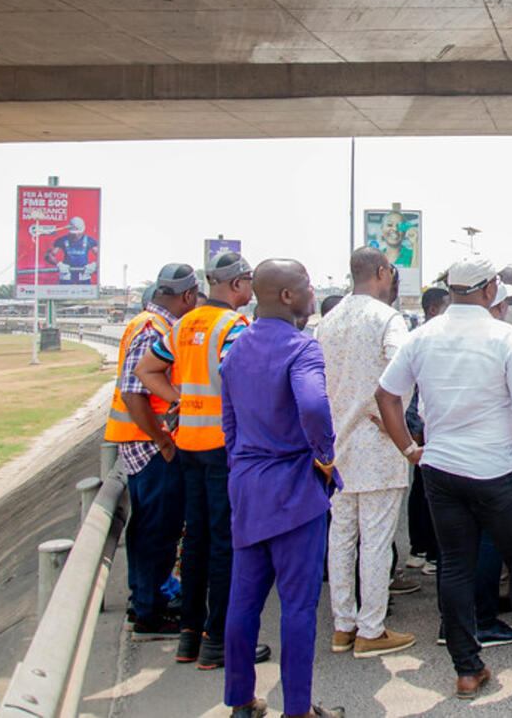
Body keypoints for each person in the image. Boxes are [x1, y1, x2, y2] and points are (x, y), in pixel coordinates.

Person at [374, 254, 512, 700]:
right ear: (490, 289)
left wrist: (410, 449)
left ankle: (468, 670)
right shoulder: (504, 336)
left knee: (455, 566)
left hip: (440, 467)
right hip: (495, 468)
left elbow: (386, 396)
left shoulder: (423, 336)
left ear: (453, 290)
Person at [219, 260, 342, 718]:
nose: (314, 293)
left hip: (248, 484)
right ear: (288, 296)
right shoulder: (300, 348)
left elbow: (228, 422)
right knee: (297, 605)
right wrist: (325, 455)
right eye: (307, 285)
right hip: (292, 489)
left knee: (243, 599)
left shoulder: (236, 349)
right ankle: (298, 709)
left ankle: (240, 700)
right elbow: (312, 403)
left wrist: (242, 463)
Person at [135, 251, 256, 669]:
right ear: (237, 284)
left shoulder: (184, 324)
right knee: (226, 543)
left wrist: (179, 400)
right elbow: (243, 382)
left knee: (198, 541)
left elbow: (146, 370)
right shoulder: (233, 326)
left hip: (188, 445)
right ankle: (218, 641)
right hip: (223, 447)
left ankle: (189, 635)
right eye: (249, 281)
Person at [317, 248, 418, 659]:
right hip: (378, 441)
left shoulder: (328, 320)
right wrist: (389, 416)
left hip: (338, 443)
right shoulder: (386, 318)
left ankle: (343, 626)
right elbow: (402, 366)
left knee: (341, 537)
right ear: (381, 273)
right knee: (375, 540)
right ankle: (371, 630)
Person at [105, 262, 198, 640]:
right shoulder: (152, 329)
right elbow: (132, 392)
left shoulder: (151, 324)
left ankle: (146, 601)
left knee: (151, 528)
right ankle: (149, 612)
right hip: (150, 447)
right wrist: (162, 440)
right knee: (156, 530)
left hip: (146, 442)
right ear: (189, 295)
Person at [406, 287, 450, 577]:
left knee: (421, 489)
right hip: (426, 428)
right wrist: (414, 432)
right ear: (433, 310)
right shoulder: (426, 340)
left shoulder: (419, 338)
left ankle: (419, 550)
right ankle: (430, 552)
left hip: (423, 428)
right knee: (429, 492)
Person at [47, 216, 99, 284]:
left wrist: (95, 265)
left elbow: (102, 257)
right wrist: (59, 264)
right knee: (64, 294)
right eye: (74, 233)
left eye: (78, 233)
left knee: (86, 294)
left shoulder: (90, 241)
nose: (76, 235)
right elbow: (48, 256)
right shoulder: (62, 240)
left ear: (83, 230)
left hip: (83, 275)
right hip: (66, 275)